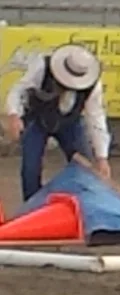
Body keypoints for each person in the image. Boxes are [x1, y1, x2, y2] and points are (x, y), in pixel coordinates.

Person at [4, 43, 111, 202]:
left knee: (85, 169)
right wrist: (13, 115)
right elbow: (18, 89)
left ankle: (85, 205)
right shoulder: (42, 66)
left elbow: (95, 117)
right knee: (30, 169)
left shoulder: (93, 85)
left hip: (70, 123)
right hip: (37, 119)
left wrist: (102, 157)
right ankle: (32, 209)